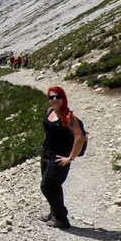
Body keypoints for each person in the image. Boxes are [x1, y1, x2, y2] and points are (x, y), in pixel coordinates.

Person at [39, 86, 85, 229]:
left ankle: (62, 218)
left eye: (57, 97)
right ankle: (54, 214)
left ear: (63, 98)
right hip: (46, 154)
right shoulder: (50, 112)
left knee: (46, 186)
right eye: (51, 97)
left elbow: (80, 138)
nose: (54, 99)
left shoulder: (68, 116)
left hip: (59, 157)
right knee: (55, 186)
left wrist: (70, 158)